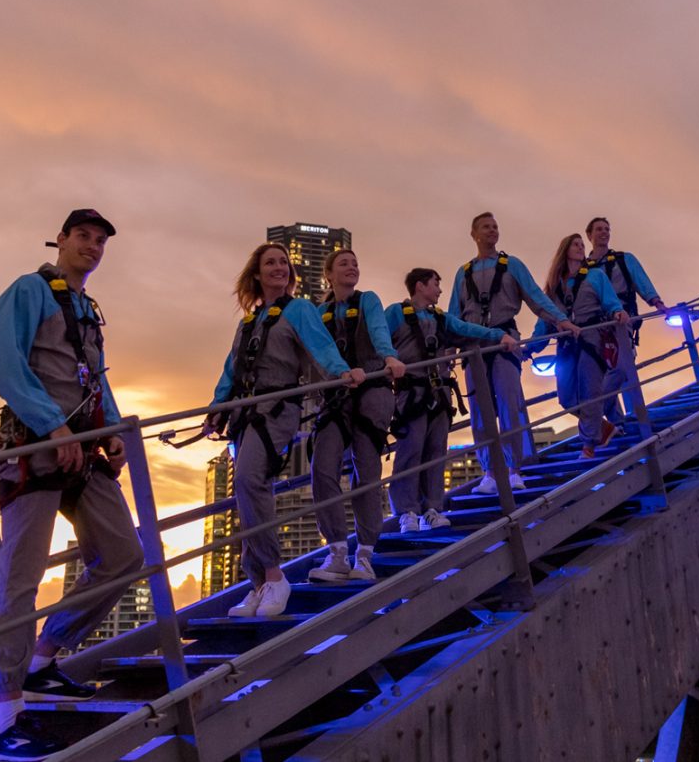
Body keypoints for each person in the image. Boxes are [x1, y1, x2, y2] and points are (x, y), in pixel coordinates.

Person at [0, 209, 144, 762]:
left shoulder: (87, 311)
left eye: (100, 242)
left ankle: (44, 659)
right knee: (20, 575)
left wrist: (114, 431)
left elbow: (93, 378)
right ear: (62, 240)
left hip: (84, 450)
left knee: (124, 554)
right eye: (84, 237)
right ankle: (7, 714)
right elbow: (3, 360)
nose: (92, 247)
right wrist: (51, 426)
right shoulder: (29, 291)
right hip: (35, 445)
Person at [204, 243, 363, 618]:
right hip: (244, 412)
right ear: (256, 274)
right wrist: (216, 407)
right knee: (245, 493)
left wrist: (341, 372)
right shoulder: (249, 321)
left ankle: (275, 576)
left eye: (283, 263)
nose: (279, 268)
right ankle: (258, 584)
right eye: (270, 263)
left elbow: (320, 347)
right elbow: (232, 368)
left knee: (248, 481)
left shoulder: (300, 309)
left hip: (275, 409)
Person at [448, 212, 576, 494]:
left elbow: (535, 297)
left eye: (495, 227)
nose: (492, 231)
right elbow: (453, 316)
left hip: (506, 341)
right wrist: (447, 353)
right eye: (486, 227)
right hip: (473, 347)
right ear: (474, 234)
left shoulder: (511, 265)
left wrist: (560, 320)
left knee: (509, 404)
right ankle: (490, 473)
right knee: (480, 413)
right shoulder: (463, 272)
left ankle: (514, 468)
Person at [385, 268, 518, 532]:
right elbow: (380, 342)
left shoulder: (440, 318)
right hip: (411, 393)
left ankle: (432, 507)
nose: (440, 290)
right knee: (410, 451)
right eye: (435, 284)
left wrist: (498, 335)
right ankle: (407, 511)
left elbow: (466, 329)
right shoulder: (396, 313)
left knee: (436, 451)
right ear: (420, 286)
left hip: (439, 392)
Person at [307, 250, 406, 582]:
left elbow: (379, 331)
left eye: (355, 263)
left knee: (365, 471)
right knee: (322, 467)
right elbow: (311, 351)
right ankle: (336, 550)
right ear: (329, 274)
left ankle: (364, 553)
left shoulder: (368, 301)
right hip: (336, 398)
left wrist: (389, 357)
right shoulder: (318, 313)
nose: (352, 267)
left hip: (371, 391)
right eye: (344, 264)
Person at [533, 234, 631, 459]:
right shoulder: (554, 286)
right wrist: (531, 347)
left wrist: (617, 311)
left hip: (592, 339)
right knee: (566, 398)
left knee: (590, 393)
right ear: (565, 249)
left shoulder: (595, 276)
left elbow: (610, 300)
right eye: (575, 244)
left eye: (581, 245)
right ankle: (604, 428)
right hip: (567, 344)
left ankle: (588, 446)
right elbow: (545, 320)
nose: (580, 248)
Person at [583, 216, 670, 428]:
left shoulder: (624, 259)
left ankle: (595, 412)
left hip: (621, 321)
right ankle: (616, 422)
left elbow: (641, 281)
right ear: (589, 235)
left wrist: (657, 302)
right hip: (593, 324)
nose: (604, 233)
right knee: (601, 371)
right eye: (599, 229)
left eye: (607, 229)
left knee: (621, 367)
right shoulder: (583, 268)